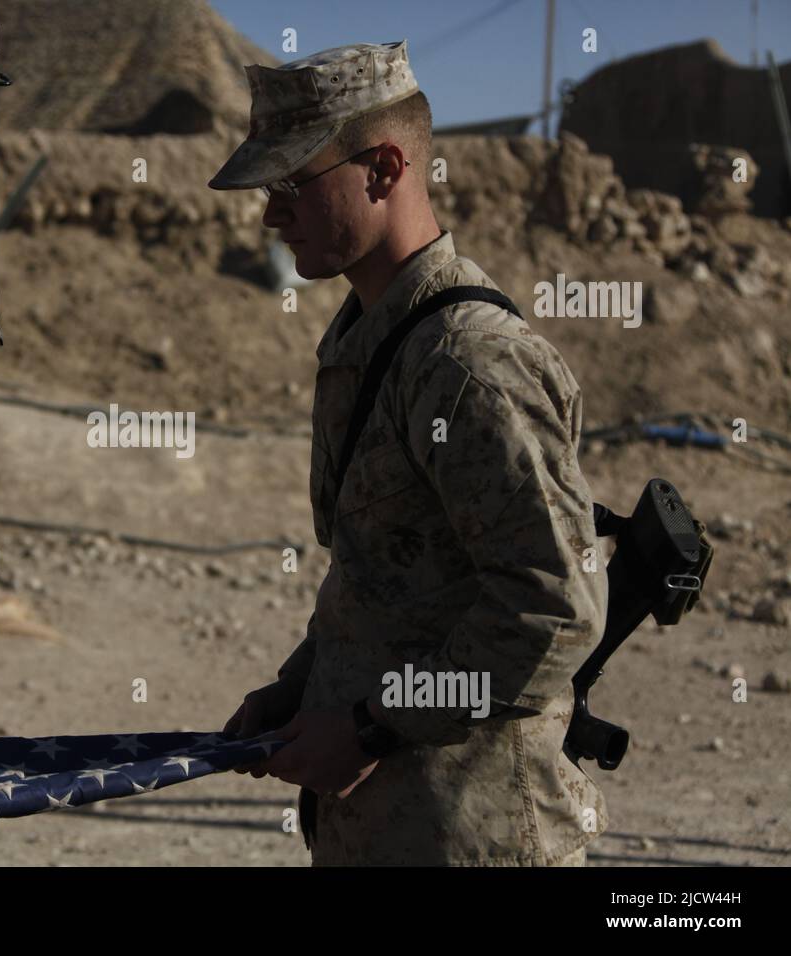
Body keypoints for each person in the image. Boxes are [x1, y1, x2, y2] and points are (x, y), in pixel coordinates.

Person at [212, 42, 609, 866]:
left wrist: (365, 728)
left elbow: (553, 611)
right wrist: (304, 681)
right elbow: (384, 570)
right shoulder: (367, 337)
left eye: (292, 183)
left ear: (385, 167)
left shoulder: (470, 364)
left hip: (474, 836)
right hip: (385, 831)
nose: (269, 214)